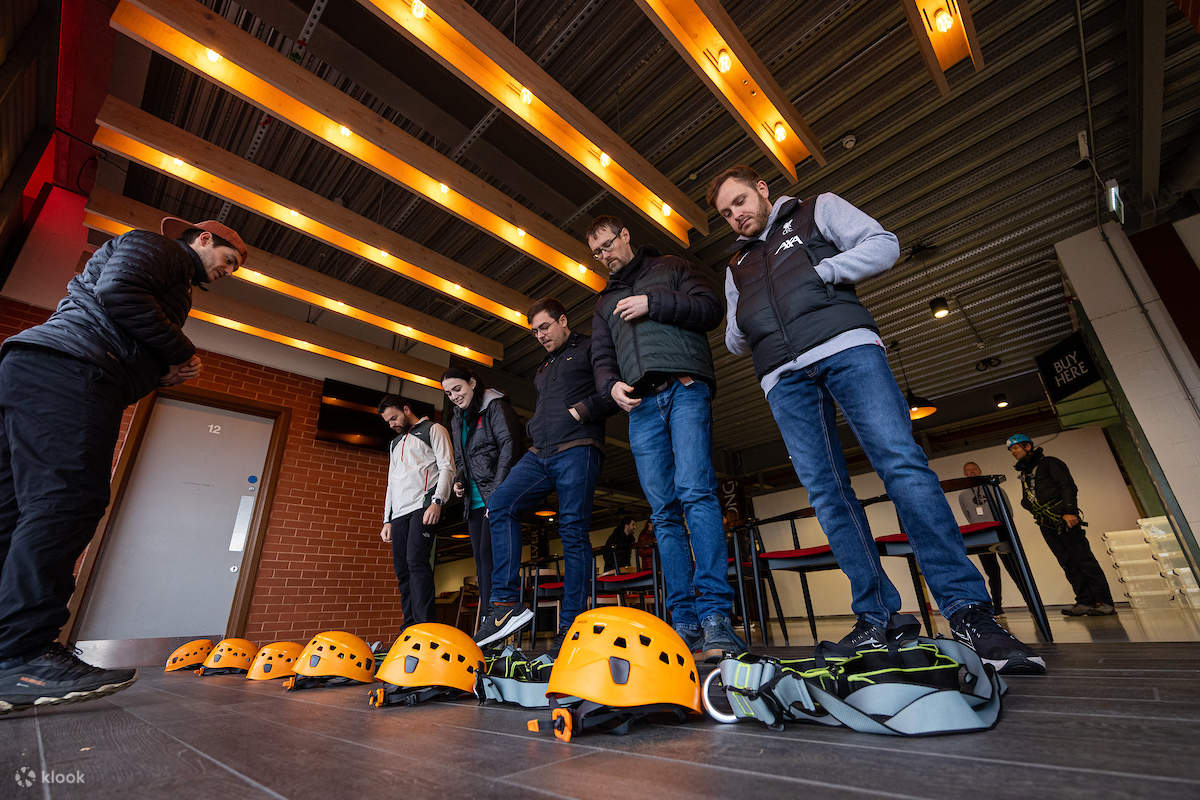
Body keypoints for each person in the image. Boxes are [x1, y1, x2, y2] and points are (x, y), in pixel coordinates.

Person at [708, 164, 1044, 674]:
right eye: (725, 213)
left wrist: (825, 272)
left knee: (901, 465)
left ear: (761, 189)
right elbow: (734, 338)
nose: (735, 215)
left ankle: (967, 613)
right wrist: (748, 319)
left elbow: (883, 243)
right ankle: (879, 619)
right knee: (825, 493)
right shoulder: (736, 266)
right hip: (781, 376)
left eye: (739, 201)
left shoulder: (815, 209)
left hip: (847, 348)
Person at [0, 215, 245, 712]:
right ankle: (19, 654)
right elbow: (120, 293)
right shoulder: (156, 248)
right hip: (72, 369)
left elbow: (126, 322)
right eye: (229, 259)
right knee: (66, 502)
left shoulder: (174, 279)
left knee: (14, 512)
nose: (229, 270)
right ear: (203, 239)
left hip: (43, 369)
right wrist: (182, 354)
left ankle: (8, 651)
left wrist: (161, 370)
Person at [586, 214, 743, 660]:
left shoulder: (673, 266)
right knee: (663, 513)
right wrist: (609, 386)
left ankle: (716, 618)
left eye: (607, 244)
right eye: (596, 252)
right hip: (640, 408)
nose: (604, 256)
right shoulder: (603, 303)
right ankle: (685, 623)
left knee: (696, 494)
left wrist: (652, 303)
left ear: (626, 235)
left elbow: (711, 309)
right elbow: (601, 356)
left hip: (685, 387)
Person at [473, 297, 617, 654]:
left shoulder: (589, 348)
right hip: (541, 453)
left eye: (545, 327)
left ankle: (571, 626)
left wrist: (581, 411)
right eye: (535, 331)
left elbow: (611, 389)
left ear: (563, 320)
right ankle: (505, 604)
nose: (540, 335)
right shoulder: (542, 369)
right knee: (501, 503)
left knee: (572, 529)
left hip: (579, 447)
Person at [440, 367, 522, 620]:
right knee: (482, 560)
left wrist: (498, 493)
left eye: (457, 389)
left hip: (495, 494)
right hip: (473, 500)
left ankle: (503, 613)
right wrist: (459, 479)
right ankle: (489, 617)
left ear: (472, 383)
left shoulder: (495, 406)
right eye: (448, 393)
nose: (453, 396)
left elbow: (510, 446)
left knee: (497, 557)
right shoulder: (457, 417)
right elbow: (462, 459)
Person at [1007, 434, 1115, 616]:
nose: (1013, 452)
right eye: (1011, 450)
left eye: (1015, 448)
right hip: (1046, 523)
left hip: (1065, 519)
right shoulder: (1026, 473)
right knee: (1067, 562)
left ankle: (1104, 602)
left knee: (1083, 559)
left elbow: (1067, 486)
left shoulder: (1050, 463)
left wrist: (1070, 511)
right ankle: (1085, 601)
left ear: (1027, 446)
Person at [378, 395, 454, 627]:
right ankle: (409, 627)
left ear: (406, 409)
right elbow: (391, 482)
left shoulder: (434, 429)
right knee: (402, 570)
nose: (392, 424)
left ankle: (423, 626)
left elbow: (447, 467)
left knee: (416, 562)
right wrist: (387, 520)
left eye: (394, 418)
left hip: (423, 507)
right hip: (399, 513)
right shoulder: (395, 443)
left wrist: (437, 501)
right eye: (388, 421)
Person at [957, 461, 1030, 613]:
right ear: (965, 474)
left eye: (974, 469)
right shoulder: (963, 495)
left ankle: (1030, 602)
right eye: (968, 471)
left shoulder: (996, 489)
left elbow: (1008, 511)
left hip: (999, 534)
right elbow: (969, 516)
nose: (972, 473)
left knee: (1013, 569)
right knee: (992, 573)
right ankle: (997, 607)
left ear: (980, 470)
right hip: (980, 538)